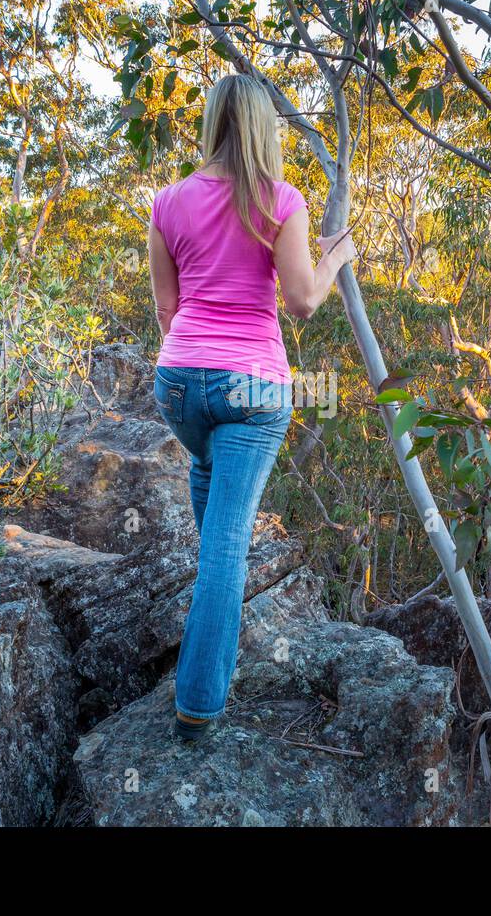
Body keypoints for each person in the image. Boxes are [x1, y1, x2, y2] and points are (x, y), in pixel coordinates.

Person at [148, 73, 358, 740]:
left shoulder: (168, 202)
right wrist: (338, 255)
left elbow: (166, 309)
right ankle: (199, 704)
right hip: (252, 387)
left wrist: (195, 368)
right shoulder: (280, 199)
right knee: (227, 547)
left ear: (211, 122)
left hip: (179, 379)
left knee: (210, 490)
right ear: (266, 127)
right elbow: (301, 300)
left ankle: (200, 659)